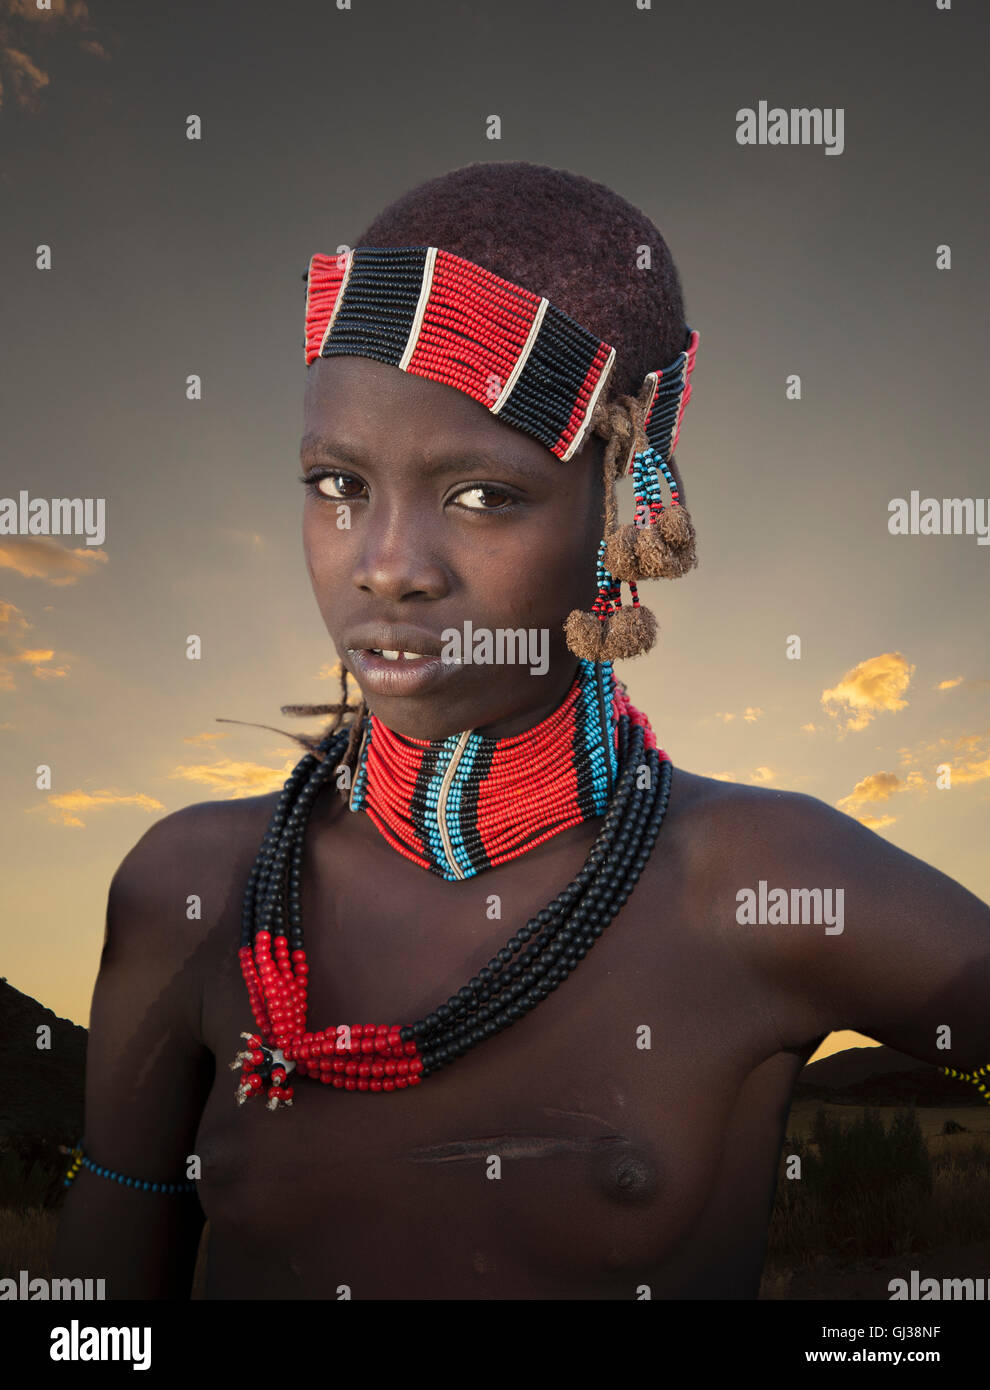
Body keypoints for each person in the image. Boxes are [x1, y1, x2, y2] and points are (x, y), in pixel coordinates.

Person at [53, 162, 990, 1300]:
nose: (386, 564)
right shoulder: (190, 890)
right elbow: (94, 1323)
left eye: (482, 495)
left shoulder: (767, 888)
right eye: (337, 481)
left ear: (623, 501)